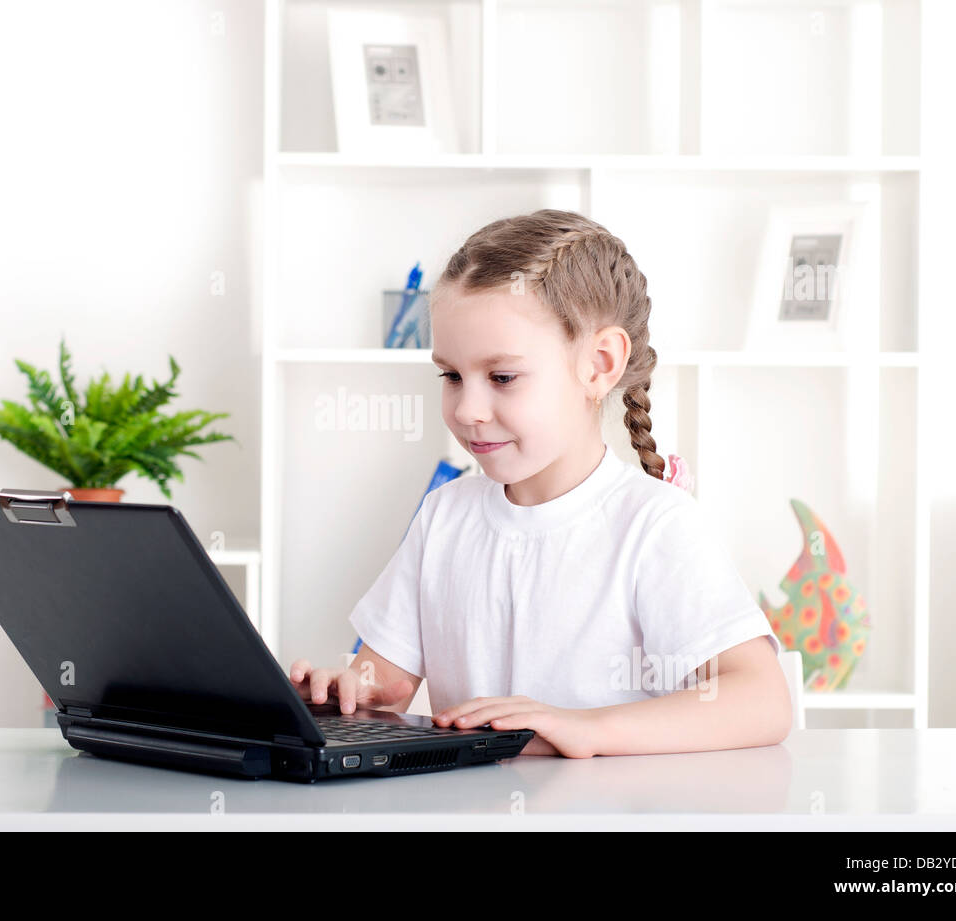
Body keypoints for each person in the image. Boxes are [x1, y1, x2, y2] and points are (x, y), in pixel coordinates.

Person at [289, 209, 791, 758]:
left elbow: (761, 698)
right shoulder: (444, 516)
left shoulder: (652, 525)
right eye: (452, 376)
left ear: (599, 364)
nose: (469, 409)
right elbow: (387, 677)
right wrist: (349, 688)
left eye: (502, 377)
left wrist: (586, 729)